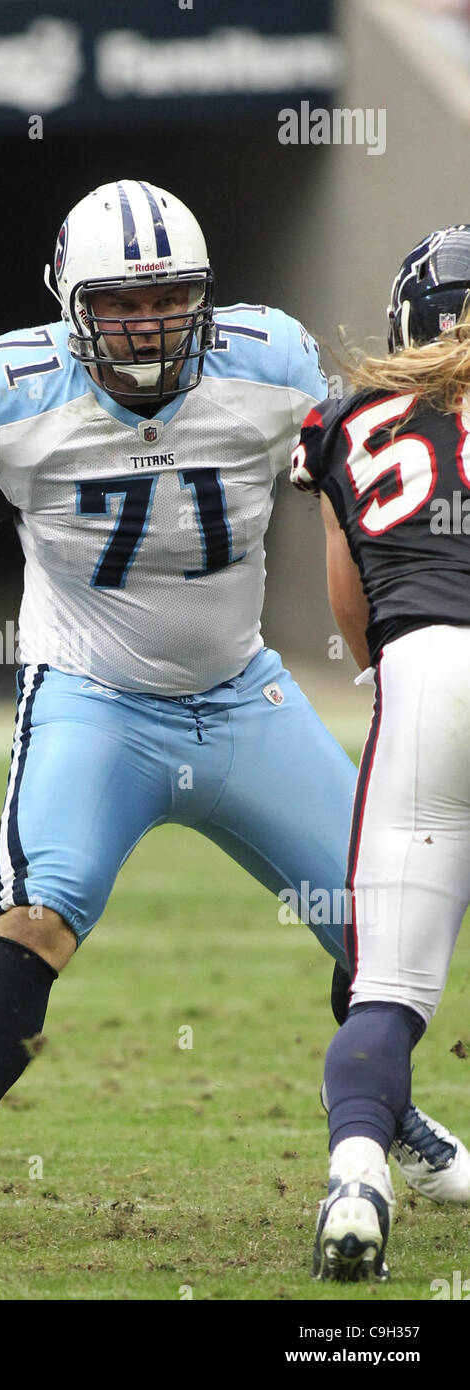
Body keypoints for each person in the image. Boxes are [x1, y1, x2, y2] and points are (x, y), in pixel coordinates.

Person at [0, 181, 470, 1249]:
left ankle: (383, 1120)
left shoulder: (267, 363)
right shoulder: (11, 388)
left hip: (243, 693)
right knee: (34, 918)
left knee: (377, 924)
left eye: (171, 298)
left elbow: (365, 484)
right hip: (93, 699)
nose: (148, 324)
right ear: (66, 304)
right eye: (122, 304)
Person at [292, 224, 470, 1280]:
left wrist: (388, 685)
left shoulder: (346, 420)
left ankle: (356, 1181)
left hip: (424, 671)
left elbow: (350, 610)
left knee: (386, 993)